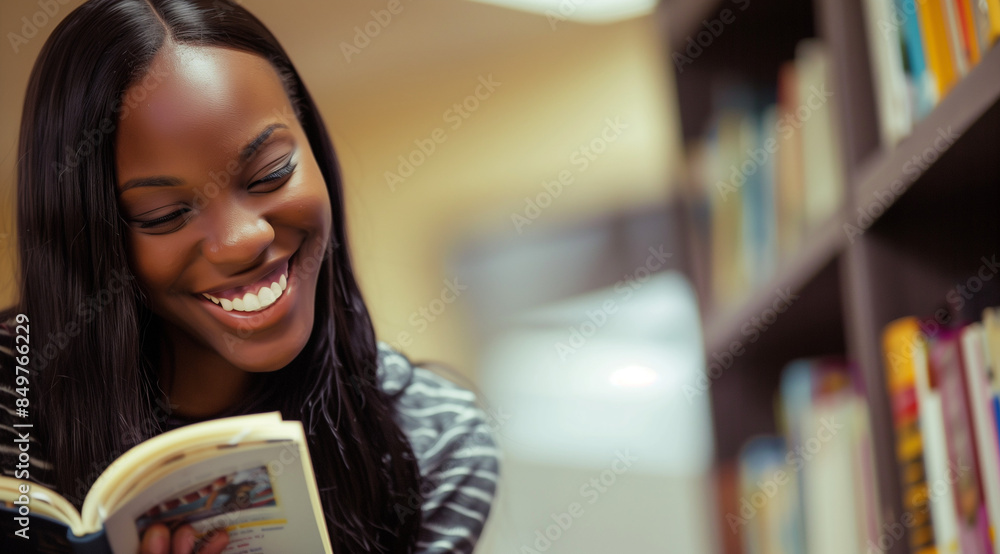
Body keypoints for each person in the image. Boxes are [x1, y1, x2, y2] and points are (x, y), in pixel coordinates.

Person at [0, 0, 500, 552]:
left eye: (271, 173)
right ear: (90, 240)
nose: (242, 240)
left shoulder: (436, 442)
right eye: (164, 215)